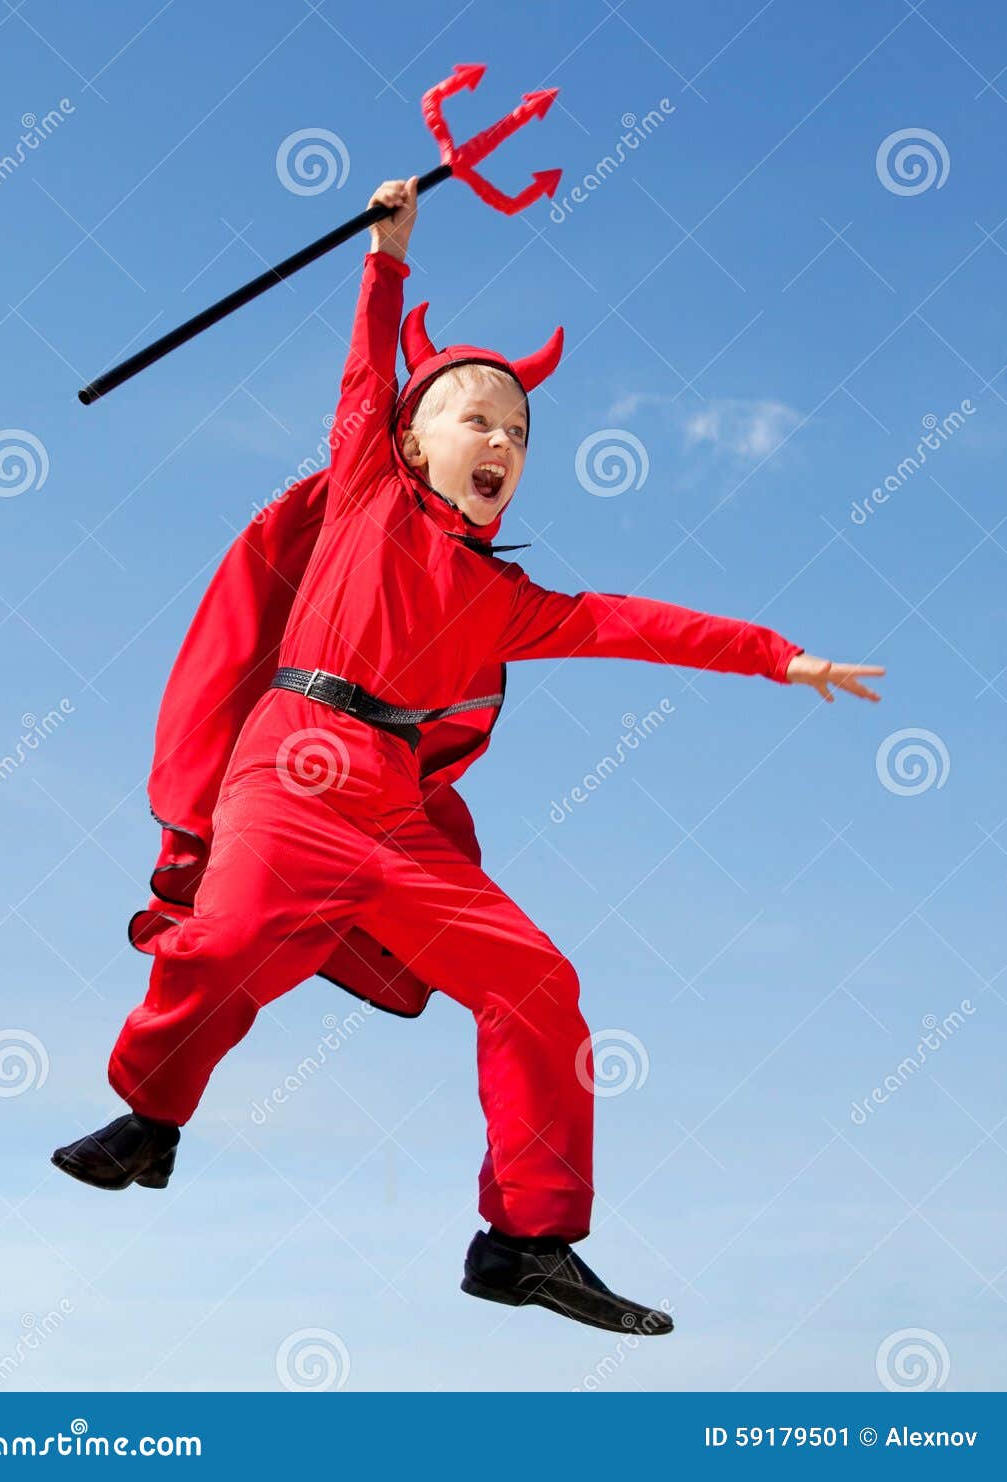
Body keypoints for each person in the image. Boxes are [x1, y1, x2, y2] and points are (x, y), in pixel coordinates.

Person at [53, 177, 884, 1336]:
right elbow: (361, 378)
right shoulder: (364, 502)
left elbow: (638, 622)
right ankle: (149, 1115)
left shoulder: (510, 602)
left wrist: (779, 656)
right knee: (228, 940)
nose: (498, 437)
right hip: (290, 769)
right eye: (473, 415)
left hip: (393, 811)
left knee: (539, 985)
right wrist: (386, 256)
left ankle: (525, 1242)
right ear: (409, 436)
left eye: (517, 428)